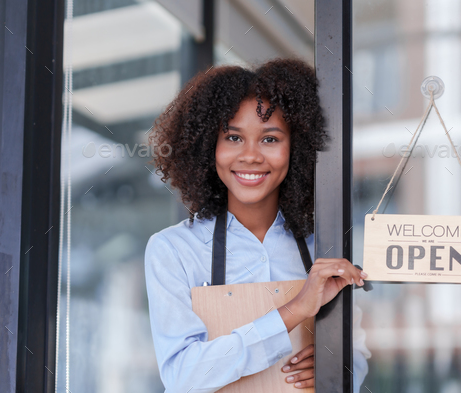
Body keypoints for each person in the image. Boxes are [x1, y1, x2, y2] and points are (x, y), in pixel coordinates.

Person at [144, 58, 371, 392]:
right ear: (209, 148)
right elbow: (182, 374)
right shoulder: (173, 251)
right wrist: (294, 310)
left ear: (298, 149)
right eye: (234, 138)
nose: (250, 156)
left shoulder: (323, 246)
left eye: (270, 139)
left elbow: (358, 352)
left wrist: (340, 368)